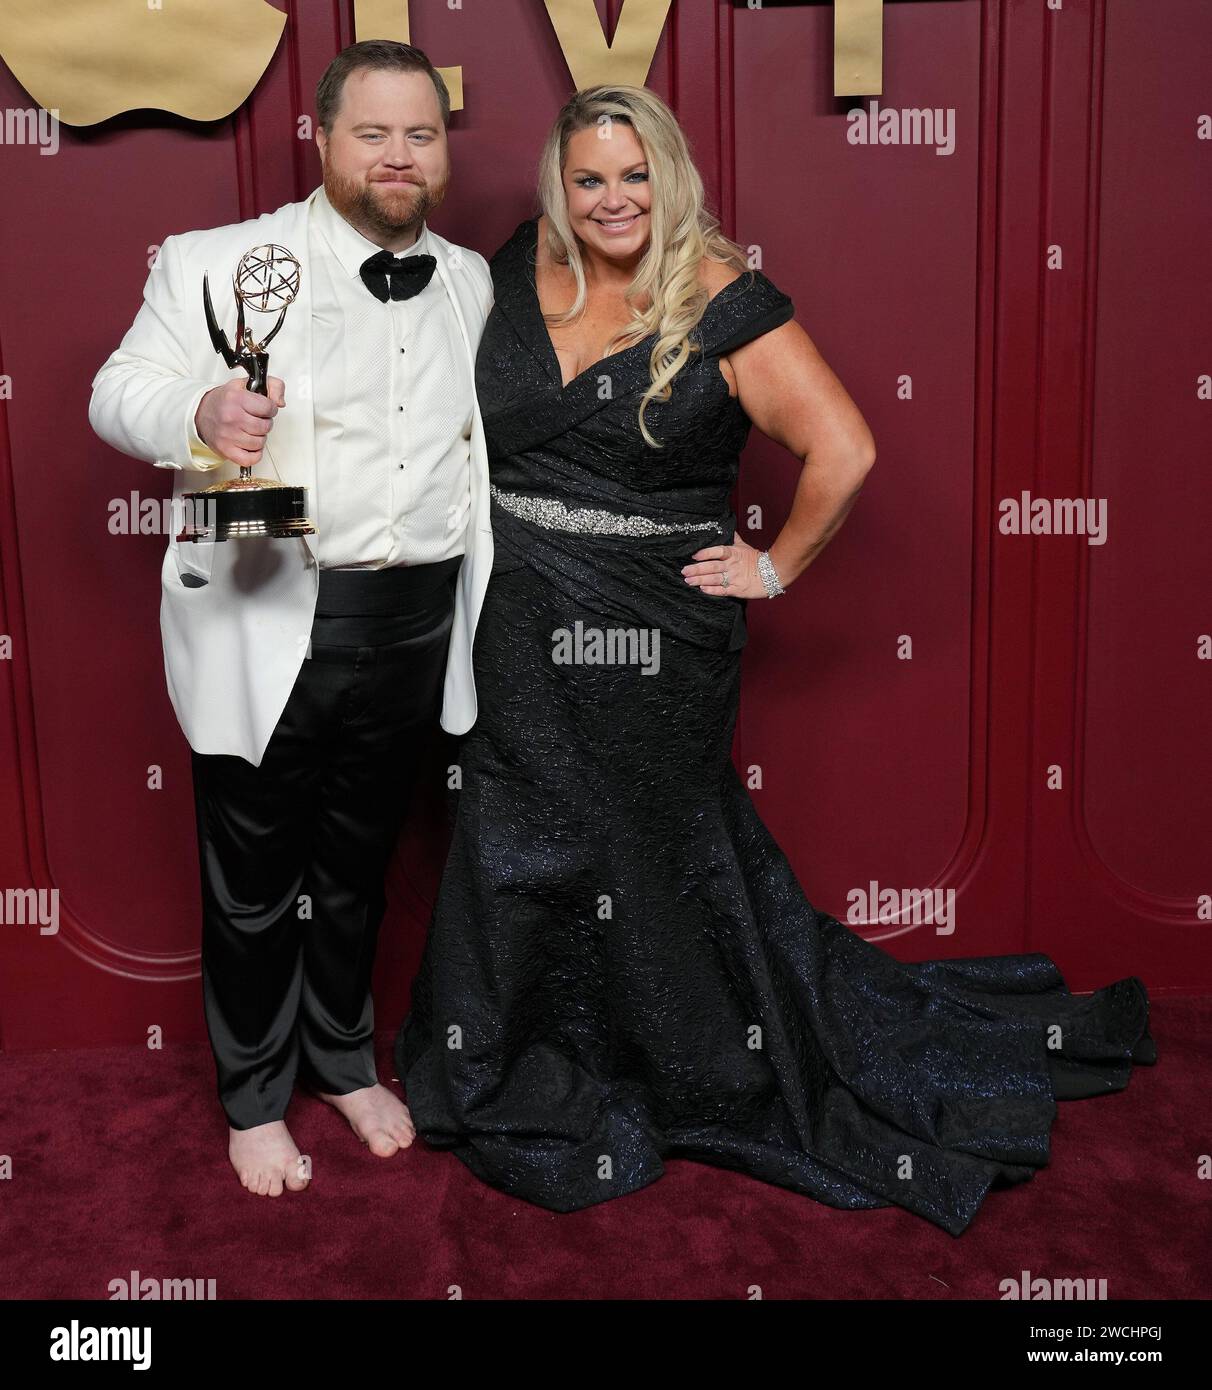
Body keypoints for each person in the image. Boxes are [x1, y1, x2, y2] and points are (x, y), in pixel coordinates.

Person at [394, 84, 1156, 1236]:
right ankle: (518, 1057)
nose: (614, 199)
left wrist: (772, 567)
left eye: (635, 174)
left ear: (671, 177)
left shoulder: (719, 294)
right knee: (516, 835)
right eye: (590, 177)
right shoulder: (508, 270)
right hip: (514, 621)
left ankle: (694, 1061)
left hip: (655, 636)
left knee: (644, 842)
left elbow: (845, 448)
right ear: (560, 184)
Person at [89, 41, 495, 1197]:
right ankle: (254, 1093)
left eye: (420, 133)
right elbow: (115, 390)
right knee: (255, 873)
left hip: (418, 619)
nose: (399, 154)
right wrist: (199, 408)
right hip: (274, 614)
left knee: (359, 864)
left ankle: (343, 1058)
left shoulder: (472, 278)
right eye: (373, 132)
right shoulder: (222, 261)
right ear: (322, 140)